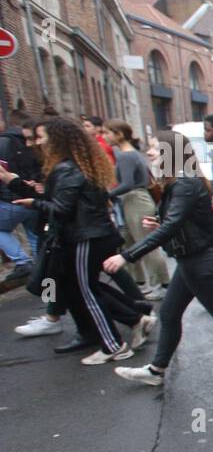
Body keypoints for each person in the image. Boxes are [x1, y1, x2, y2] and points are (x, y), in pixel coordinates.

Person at [105, 131, 213, 389]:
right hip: (191, 259)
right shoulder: (181, 182)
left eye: (155, 148)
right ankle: (157, 369)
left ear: (170, 152)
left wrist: (126, 255)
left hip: (199, 262)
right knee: (169, 312)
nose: (150, 153)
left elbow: (175, 224)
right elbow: (178, 224)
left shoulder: (186, 183)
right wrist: (159, 225)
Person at [11, 118, 147, 364]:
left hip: (87, 236)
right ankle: (134, 317)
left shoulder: (67, 168)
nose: (36, 143)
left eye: (40, 137)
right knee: (82, 288)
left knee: (86, 291)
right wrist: (17, 184)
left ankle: (113, 344)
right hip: (92, 234)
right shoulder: (77, 165)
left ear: (58, 141)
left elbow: (61, 208)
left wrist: (33, 202)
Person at [105, 120, 169, 298]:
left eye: (108, 132)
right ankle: (141, 283)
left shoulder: (126, 156)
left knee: (145, 243)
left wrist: (106, 195)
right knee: (130, 242)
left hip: (135, 199)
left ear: (119, 134)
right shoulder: (132, 154)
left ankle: (161, 284)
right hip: (134, 199)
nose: (105, 136)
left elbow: (127, 183)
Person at [0, 111, 42, 280]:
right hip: (36, 197)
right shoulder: (32, 142)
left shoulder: (3, 143)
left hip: (14, 199)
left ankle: (22, 261)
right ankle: (46, 283)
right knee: (36, 237)